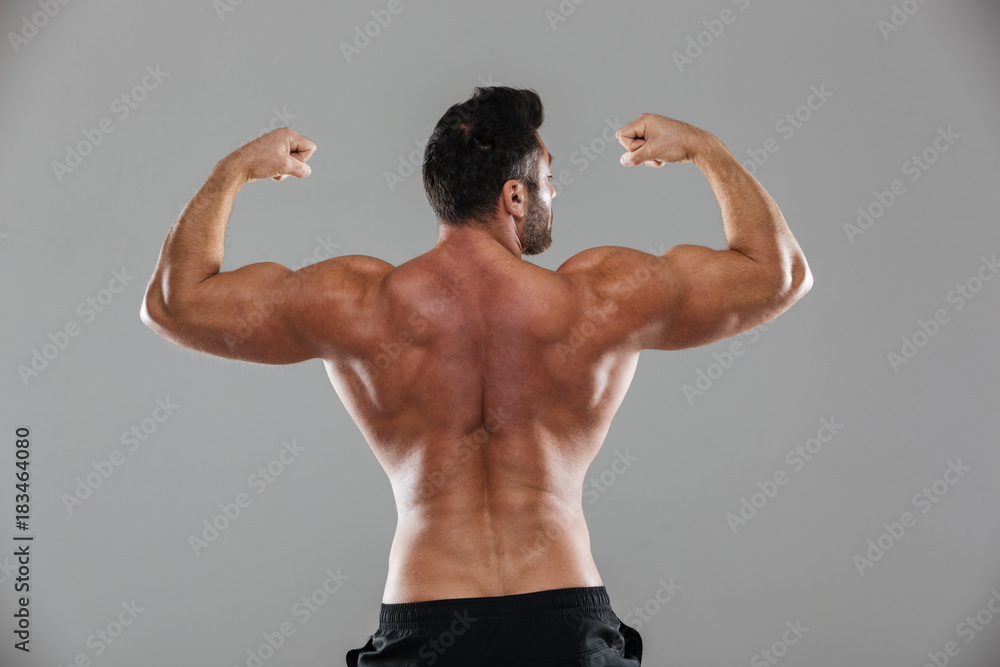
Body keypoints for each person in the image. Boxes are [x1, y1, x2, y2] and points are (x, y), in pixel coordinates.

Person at [140, 86, 813, 666]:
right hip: (563, 620)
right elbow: (777, 274)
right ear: (514, 195)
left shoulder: (357, 302)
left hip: (426, 618)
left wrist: (231, 172)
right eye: (548, 178)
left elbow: (174, 304)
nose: (553, 192)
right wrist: (707, 150)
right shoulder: (600, 295)